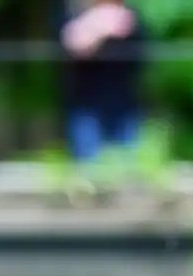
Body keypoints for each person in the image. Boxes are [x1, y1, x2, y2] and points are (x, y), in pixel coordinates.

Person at [58, 0, 147, 161]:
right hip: (86, 108)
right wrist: (98, 25)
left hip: (124, 107)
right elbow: (75, 44)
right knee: (87, 167)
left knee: (127, 166)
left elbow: (141, 51)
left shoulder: (130, 14)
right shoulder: (74, 13)